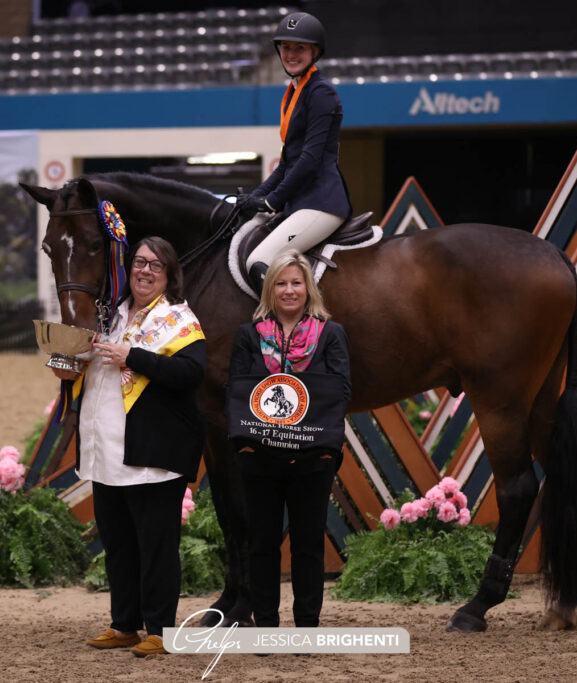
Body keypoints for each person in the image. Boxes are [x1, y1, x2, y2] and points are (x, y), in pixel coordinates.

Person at [57, 236, 206, 657]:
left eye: (155, 265)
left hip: (153, 455)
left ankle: (160, 630)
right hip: (106, 451)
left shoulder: (179, 319)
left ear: (169, 274)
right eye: (139, 262)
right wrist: (65, 364)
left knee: (156, 546)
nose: (144, 270)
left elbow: (191, 374)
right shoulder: (111, 315)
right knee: (118, 545)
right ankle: (124, 624)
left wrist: (134, 356)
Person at [226, 249, 351, 628]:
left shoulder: (331, 334)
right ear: (270, 290)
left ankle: (307, 626)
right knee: (262, 546)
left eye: (296, 282)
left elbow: (341, 391)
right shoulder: (249, 336)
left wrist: (322, 446)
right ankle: (265, 624)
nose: (289, 290)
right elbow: (237, 390)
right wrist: (246, 445)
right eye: (280, 283)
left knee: (308, 546)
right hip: (260, 458)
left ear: (308, 287)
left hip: (313, 459)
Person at [237, 11, 353, 294]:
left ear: (315, 51)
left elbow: (310, 161)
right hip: (300, 200)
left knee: (259, 260)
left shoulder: (320, 93)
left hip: (321, 202)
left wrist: (272, 201)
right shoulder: (295, 91)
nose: (291, 54)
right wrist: (256, 197)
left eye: (299, 48)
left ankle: (291, 330)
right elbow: (287, 163)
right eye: (286, 47)